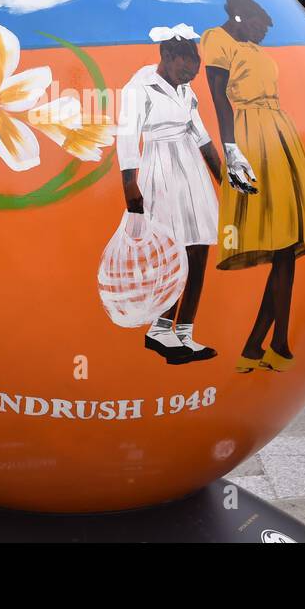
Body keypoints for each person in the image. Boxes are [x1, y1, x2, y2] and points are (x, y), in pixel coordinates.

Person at [201, 0, 305, 373]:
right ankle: (272, 345)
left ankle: (265, 345)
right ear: (241, 17)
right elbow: (220, 100)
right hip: (252, 138)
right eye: (260, 24)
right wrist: (231, 152)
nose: (264, 31)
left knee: (286, 245)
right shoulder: (216, 41)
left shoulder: (249, 47)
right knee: (280, 244)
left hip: (279, 133)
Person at [117, 25, 224, 364]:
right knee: (171, 251)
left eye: (193, 71)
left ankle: (184, 331)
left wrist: (224, 178)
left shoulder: (185, 89)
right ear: (167, 56)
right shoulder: (139, 89)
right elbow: (126, 137)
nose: (189, 75)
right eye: (185, 68)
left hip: (190, 170)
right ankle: (160, 330)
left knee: (198, 248)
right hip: (159, 170)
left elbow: (202, 135)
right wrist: (129, 185)